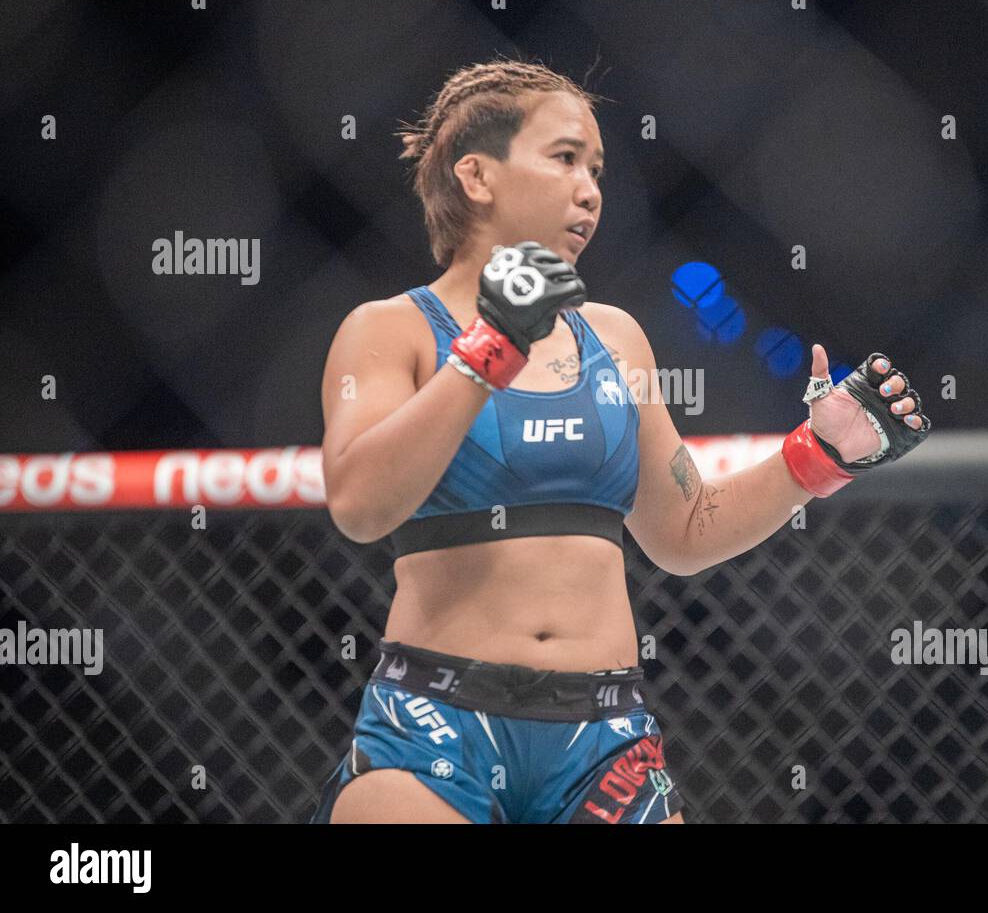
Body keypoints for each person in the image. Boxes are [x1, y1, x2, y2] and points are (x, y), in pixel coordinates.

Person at [309, 59, 930, 824]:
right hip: (435, 724)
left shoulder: (617, 341)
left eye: (597, 168)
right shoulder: (390, 330)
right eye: (565, 157)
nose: (590, 188)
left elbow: (684, 529)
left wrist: (816, 456)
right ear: (476, 175)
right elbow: (360, 505)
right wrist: (489, 348)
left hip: (602, 738)